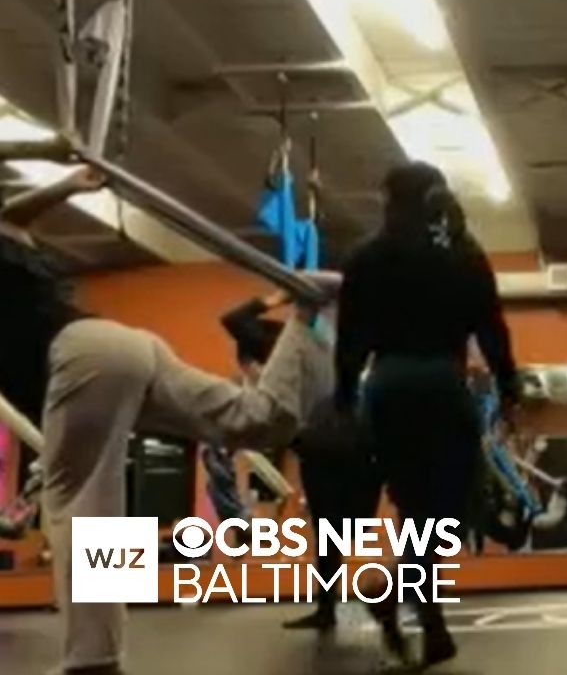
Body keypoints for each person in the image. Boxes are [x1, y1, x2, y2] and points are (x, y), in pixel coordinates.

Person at [1, 166, 325, 674]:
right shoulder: (16, 256)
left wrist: (66, 185)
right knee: (253, 421)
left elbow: (10, 216)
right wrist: (66, 185)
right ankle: (306, 315)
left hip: (80, 357)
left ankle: (95, 661)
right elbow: (15, 215)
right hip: (127, 344)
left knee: (79, 501)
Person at [335, 161, 518, 672]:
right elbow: (492, 327)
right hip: (442, 383)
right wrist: (509, 386)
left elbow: (350, 338)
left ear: (389, 200)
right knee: (448, 516)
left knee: (416, 513)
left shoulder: (365, 258)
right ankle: (417, 615)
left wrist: (346, 398)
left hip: (388, 387)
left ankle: (412, 611)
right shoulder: (463, 256)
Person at [218, 288, 384, 632]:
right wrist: (280, 296)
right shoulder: (285, 343)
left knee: (346, 525)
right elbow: (232, 319)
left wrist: (285, 297)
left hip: (339, 434)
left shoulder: (309, 339)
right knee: (327, 529)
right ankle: (326, 608)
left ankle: (354, 598)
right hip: (313, 438)